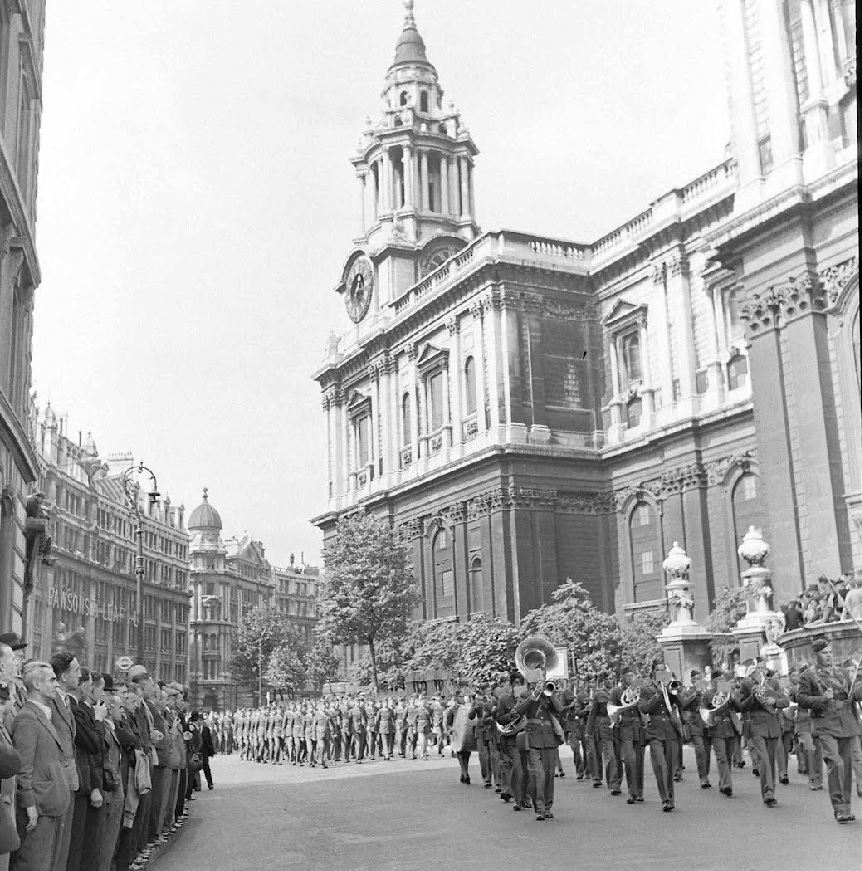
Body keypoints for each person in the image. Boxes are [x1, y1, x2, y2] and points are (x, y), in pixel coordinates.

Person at [9, 662, 71, 871]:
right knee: (34, 864)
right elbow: (23, 768)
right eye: (52, 680)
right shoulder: (27, 718)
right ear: (36, 683)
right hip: (39, 807)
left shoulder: (45, 714)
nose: (57, 684)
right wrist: (29, 805)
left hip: (50, 803)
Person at [797, 638, 862, 823]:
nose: (829, 656)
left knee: (847, 767)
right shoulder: (807, 675)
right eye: (825, 653)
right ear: (816, 655)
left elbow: (854, 695)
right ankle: (839, 807)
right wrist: (822, 699)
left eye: (830, 653)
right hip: (825, 725)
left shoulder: (842, 673)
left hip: (846, 724)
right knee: (836, 763)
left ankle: (846, 807)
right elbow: (801, 699)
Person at [735, 671, 788, 808]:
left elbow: (785, 701)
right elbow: (740, 706)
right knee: (764, 759)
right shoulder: (746, 684)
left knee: (770, 760)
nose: (759, 671)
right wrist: (752, 697)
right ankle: (768, 792)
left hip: (772, 725)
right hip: (756, 724)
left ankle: (770, 791)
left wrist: (775, 702)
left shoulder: (772, 683)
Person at [47, 652, 80, 871]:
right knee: (53, 845)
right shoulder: (51, 700)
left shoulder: (66, 701)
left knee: (64, 842)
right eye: (76, 671)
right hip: (57, 778)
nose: (80, 675)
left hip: (69, 777)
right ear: (64, 676)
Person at [513, 680, 563, 821]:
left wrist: (551, 694)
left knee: (548, 775)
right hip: (533, 740)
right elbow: (518, 711)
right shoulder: (526, 695)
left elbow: (559, 709)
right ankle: (539, 808)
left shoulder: (549, 695)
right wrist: (534, 694)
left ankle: (547, 807)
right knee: (537, 776)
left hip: (549, 740)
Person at [638, 675, 682, 812]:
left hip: (670, 730)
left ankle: (670, 797)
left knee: (670, 766)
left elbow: (682, 704)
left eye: (663, 670)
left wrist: (673, 691)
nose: (661, 673)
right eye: (658, 670)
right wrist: (657, 694)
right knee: (659, 764)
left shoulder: (670, 688)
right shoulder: (645, 690)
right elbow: (644, 708)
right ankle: (665, 799)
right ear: (652, 675)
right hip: (655, 731)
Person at [609, 672, 644, 803]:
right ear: (622, 678)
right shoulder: (617, 691)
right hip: (625, 727)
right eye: (628, 676)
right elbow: (612, 710)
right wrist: (626, 705)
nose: (631, 678)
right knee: (629, 759)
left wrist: (639, 699)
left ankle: (639, 791)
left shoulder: (639, 690)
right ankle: (632, 792)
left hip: (638, 726)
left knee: (639, 760)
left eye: (632, 676)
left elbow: (645, 706)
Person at [446, 690, 476, 785]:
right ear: (456, 697)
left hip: (467, 733)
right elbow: (448, 724)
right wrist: (450, 729)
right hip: (457, 734)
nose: (462, 698)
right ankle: (465, 773)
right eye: (460, 696)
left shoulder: (468, 708)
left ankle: (464, 773)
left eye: (463, 696)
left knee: (467, 753)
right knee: (459, 753)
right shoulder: (452, 710)